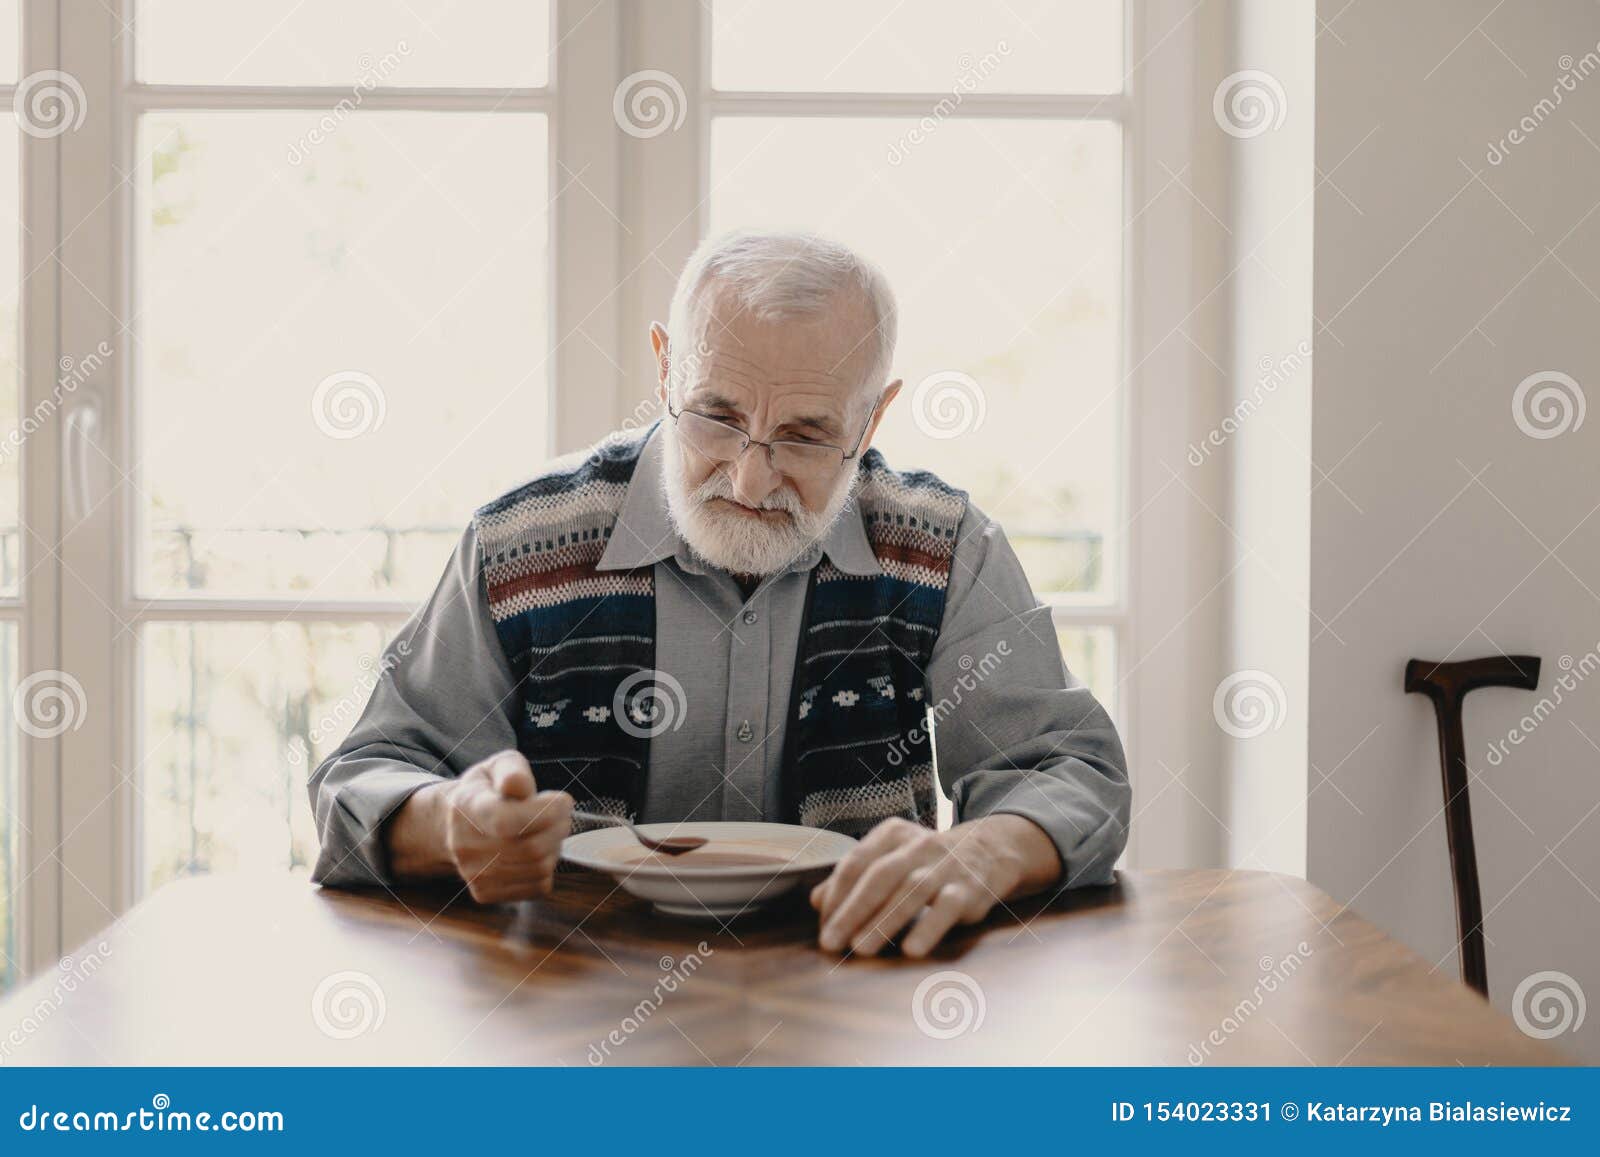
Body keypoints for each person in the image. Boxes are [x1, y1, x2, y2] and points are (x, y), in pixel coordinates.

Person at [309, 229, 1129, 958]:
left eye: (806, 435)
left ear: (872, 420)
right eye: (715, 416)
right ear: (667, 368)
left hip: (862, 996)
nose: (749, 476)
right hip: (566, 1000)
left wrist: (981, 851)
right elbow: (365, 774)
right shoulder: (520, 540)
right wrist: (449, 826)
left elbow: (1071, 768)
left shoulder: (943, 546)